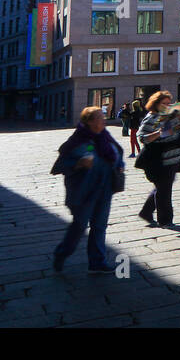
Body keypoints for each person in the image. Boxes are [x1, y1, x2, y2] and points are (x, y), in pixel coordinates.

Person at [51, 105, 124, 274]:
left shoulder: (105, 136)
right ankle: (62, 253)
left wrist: (119, 165)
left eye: (103, 116)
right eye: (100, 117)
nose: (104, 120)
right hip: (84, 191)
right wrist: (78, 164)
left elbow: (117, 153)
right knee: (79, 225)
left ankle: (97, 262)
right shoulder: (76, 141)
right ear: (90, 122)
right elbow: (60, 166)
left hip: (105, 189)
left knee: (100, 226)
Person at [136, 91, 180, 227]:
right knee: (164, 190)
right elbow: (142, 137)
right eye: (163, 103)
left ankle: (146, 212)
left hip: (174, 158)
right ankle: (165, 220)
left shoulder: (169, 116)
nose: (167, 106)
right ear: (156, 104)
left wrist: (178, 117)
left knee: (162, 187)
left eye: (168, 103)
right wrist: (158, 133)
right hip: (160, 161)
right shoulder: (151, 118)